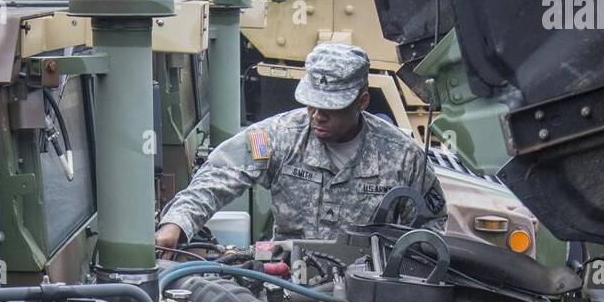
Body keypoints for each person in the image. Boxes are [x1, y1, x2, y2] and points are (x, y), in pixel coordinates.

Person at [155, 41, 447, 252]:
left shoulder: (403, 157)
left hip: (367, 294)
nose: (318, 115)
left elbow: (431, 225)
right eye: (312, 104)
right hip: (287, 282)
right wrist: (177, 223)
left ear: (362, 102)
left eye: (331, 107)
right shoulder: (280, 136)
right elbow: (219, 175)